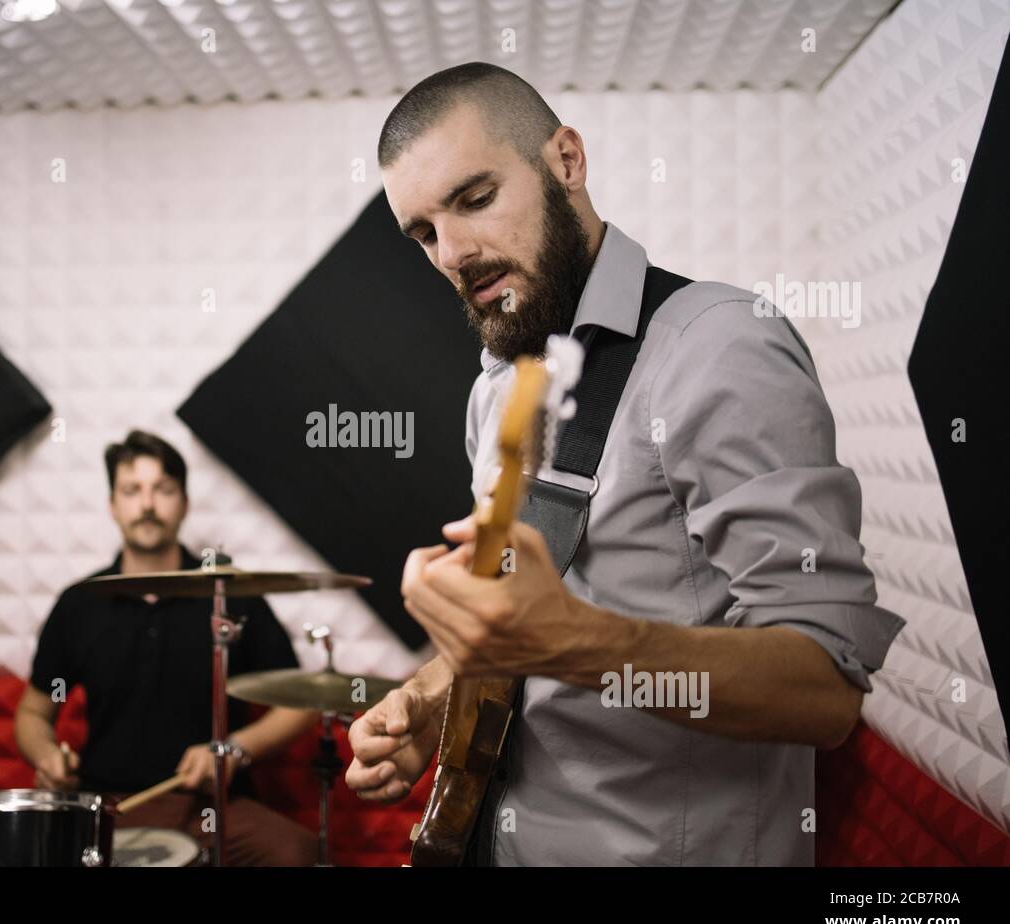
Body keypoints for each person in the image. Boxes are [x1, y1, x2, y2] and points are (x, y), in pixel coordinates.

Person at [345, 63, 907, 866]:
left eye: (474, 199)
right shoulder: (495, 391)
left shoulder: (720, 347)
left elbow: (824, 691)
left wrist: (575, 641)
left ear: (566, 161)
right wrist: (432, 698)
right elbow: (522, 625)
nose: (455, 253)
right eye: (424, 233)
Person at [16, 429, 318, 866]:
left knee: (297, 852)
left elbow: (303, 702)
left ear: (184, 503)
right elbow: (33, 712)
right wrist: (47, 756)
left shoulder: (230, 593)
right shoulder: (81, 603)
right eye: (132, 490)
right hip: (108, 808)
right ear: (113, 505)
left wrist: (232, 748)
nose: (148, 504)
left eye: (164, 489)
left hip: (211, 808)